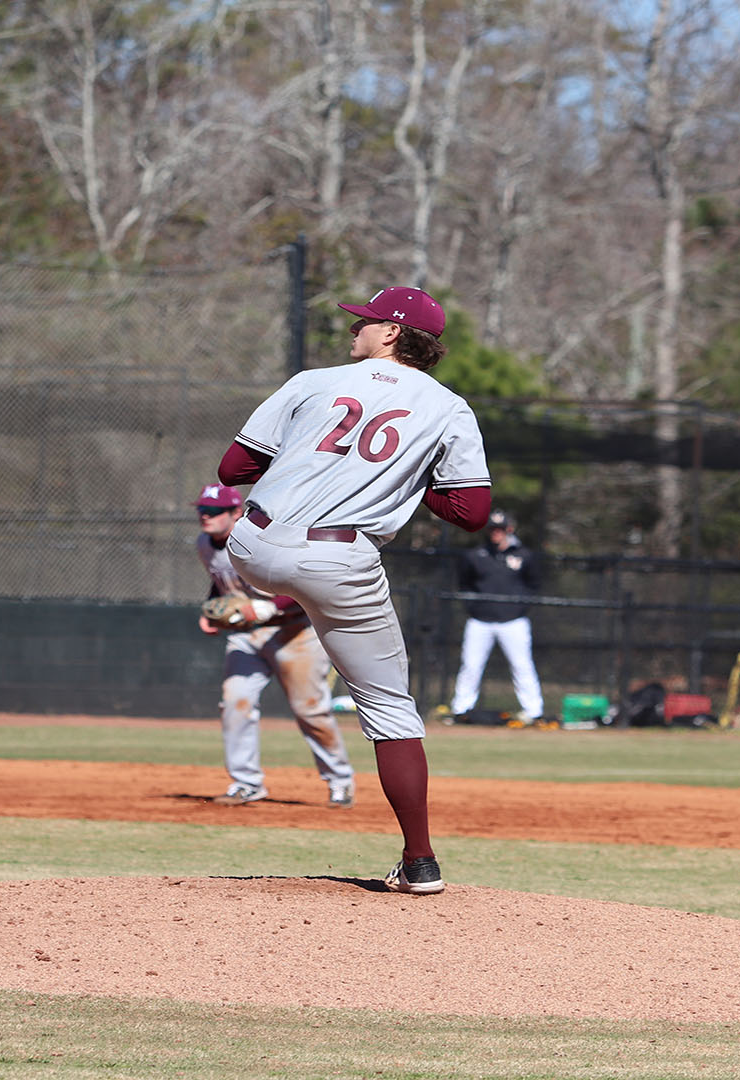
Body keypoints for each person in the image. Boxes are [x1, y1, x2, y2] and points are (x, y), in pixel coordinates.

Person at [215, 286, 491, 895]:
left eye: (365, 321)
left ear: (391, 332)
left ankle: (265, 604)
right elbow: (472, 513)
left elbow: (232, 471)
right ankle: (419, 861)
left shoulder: (312, 383)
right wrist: (409, 479)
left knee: (280, 574)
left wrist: (307, 461)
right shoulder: (449, 408)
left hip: (251, 545)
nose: (354, 329)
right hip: (337, 558)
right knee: (390, 709)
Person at [192, 482, 357, 809]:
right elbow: (221, 580)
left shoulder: (260, 540)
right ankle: (246, 783)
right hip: (247, 634)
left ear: (236, 513)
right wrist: (212, 610)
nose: (205, 517)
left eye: (213, 511)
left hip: (295, 630)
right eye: (201, 510)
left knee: (309, 710)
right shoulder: (204, 544)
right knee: (235, 702)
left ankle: (340, 781)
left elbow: (304, 581)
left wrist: (269, 607)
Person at [449, 509, 544, 724]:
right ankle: (461, 709)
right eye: (493, 529)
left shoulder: (524, 555)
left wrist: (519, 608)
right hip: (480, 620)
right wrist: (473, 607)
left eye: (500, 529)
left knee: (522, 665)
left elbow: (534, 584)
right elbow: (464, 584)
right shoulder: (476, 555)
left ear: (510, 529)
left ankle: (534, 711)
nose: (496, 533)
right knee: (471, 665)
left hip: (513, 621)